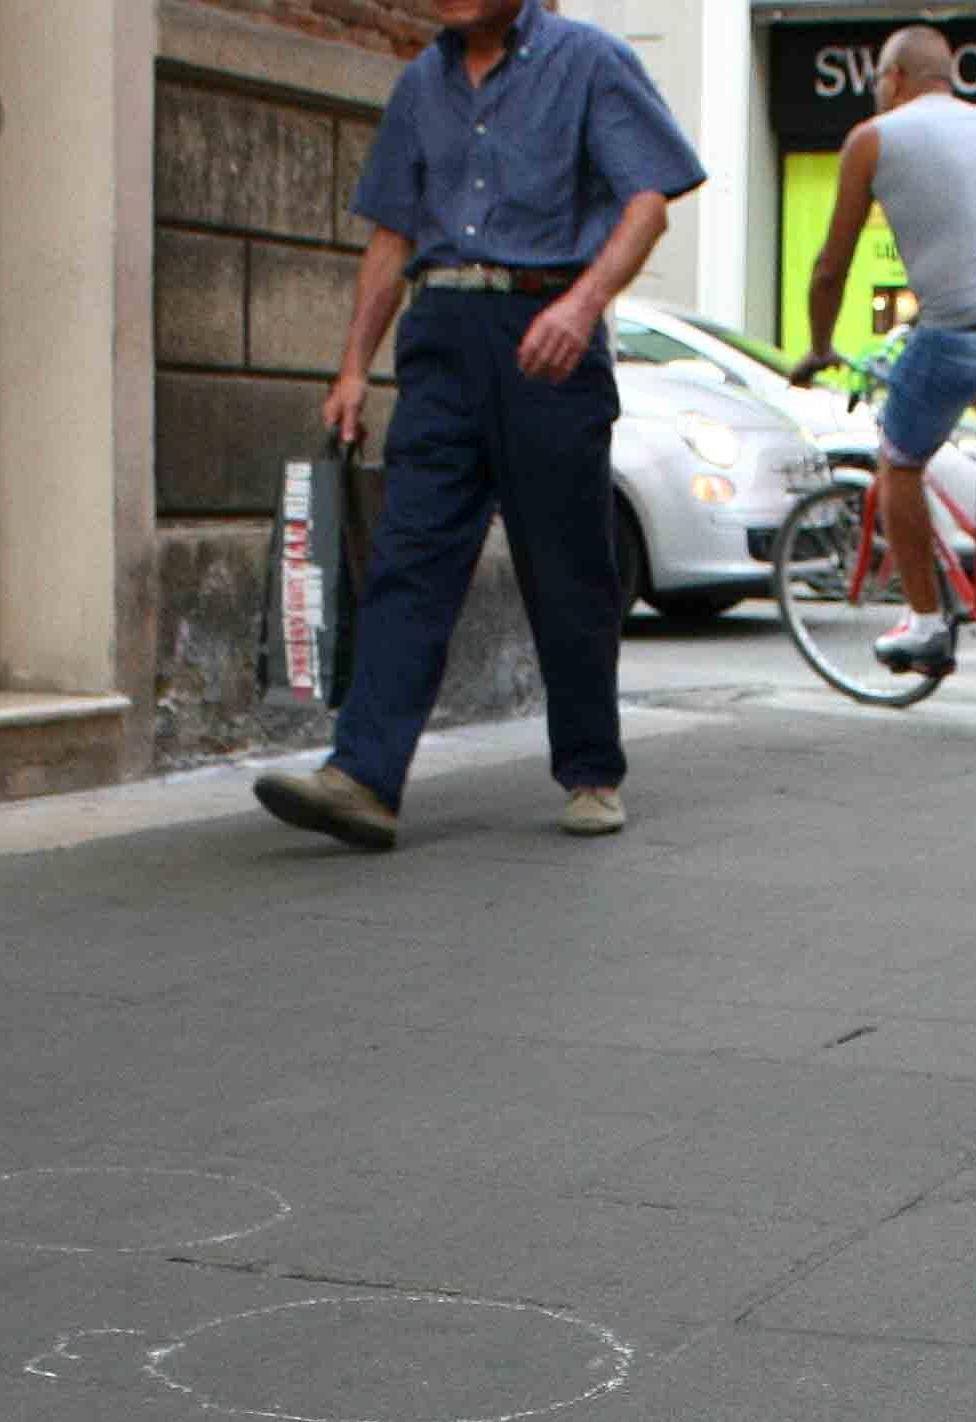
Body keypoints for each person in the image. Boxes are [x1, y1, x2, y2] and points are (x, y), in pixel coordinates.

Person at [252, 0, 703, 853]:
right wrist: (353, 366)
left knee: (567, 566)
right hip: (443, 338)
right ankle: (365, 777)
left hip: (549, 336)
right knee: (407, 555)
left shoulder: (589, 61)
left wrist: (584, 304)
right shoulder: (421, 84)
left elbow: (649, 202)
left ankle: (590, 770)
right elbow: (391, 237)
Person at [788, 24, 976, 681]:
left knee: (900, 459)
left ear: (894, 78)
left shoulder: (873, 139)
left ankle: (928, 624)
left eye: (877, 83)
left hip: (960, 334)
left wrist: (821, 345)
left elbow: (833, 264)